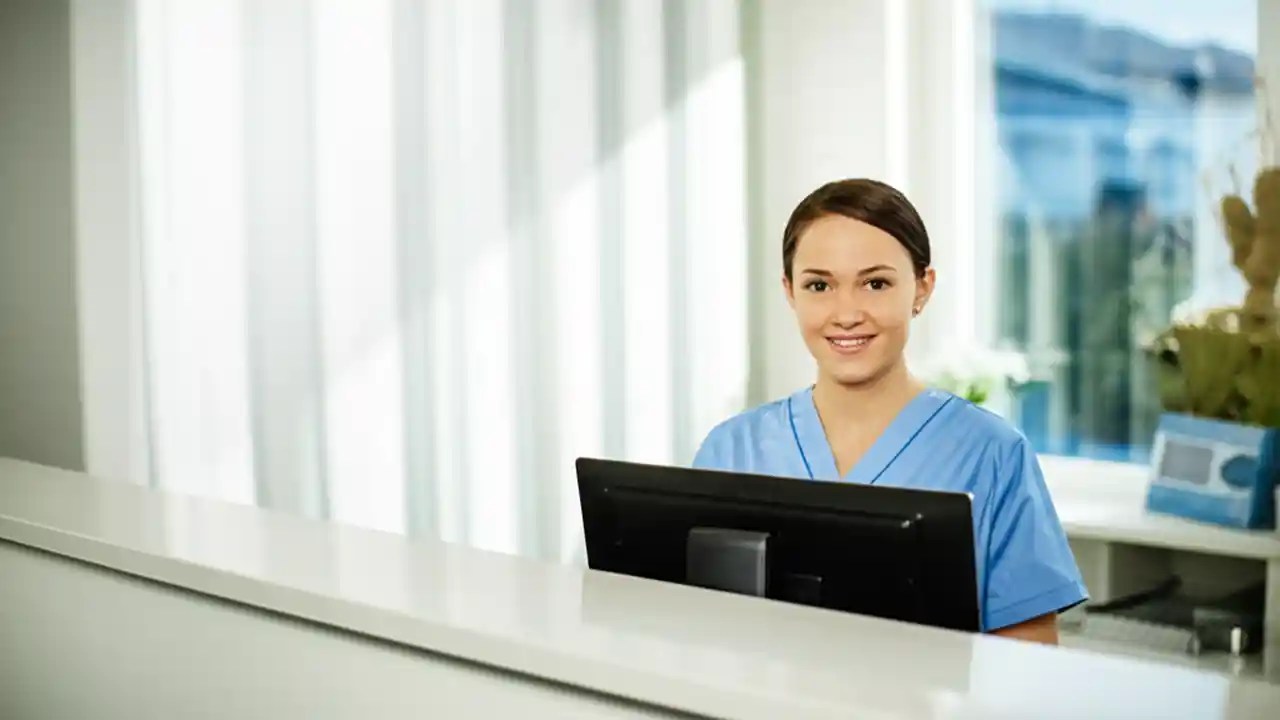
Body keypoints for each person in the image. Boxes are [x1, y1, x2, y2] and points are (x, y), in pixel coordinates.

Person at [692, 178, 1087, 644]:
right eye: (819, 285)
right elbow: (704, 634)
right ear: (790, 292)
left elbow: (1027, 658)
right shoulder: (731, 449)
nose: (846, 313)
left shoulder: (993, 455)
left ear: (923, 288)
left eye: (875, 283)